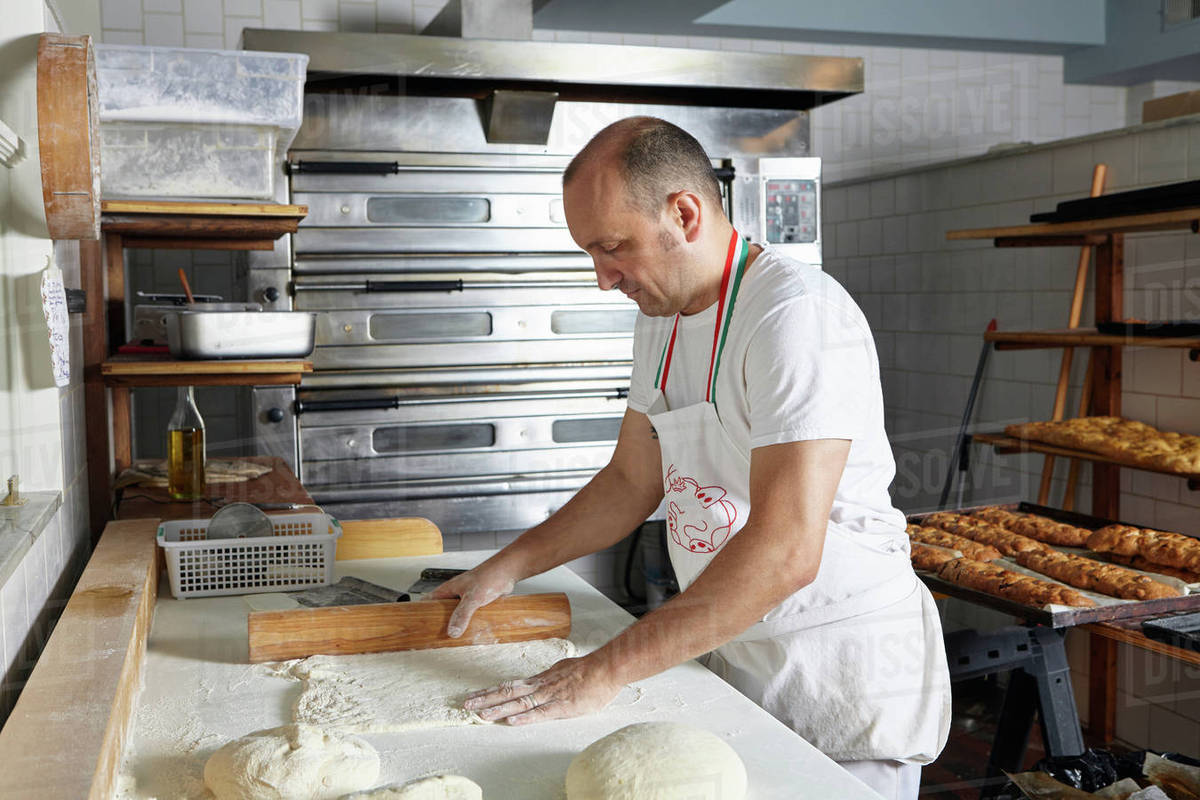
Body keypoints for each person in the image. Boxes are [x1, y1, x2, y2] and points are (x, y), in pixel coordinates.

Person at [430, 116, 951, 800]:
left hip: (835, 666)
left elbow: (788, 547)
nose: (602, 278)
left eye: (612, 247)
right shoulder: (665, 320)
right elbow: (629, 480)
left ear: (684, 212)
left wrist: (604, 671)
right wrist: (504, 568)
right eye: (591, 253)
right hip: (735, 641)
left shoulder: (793, 317)